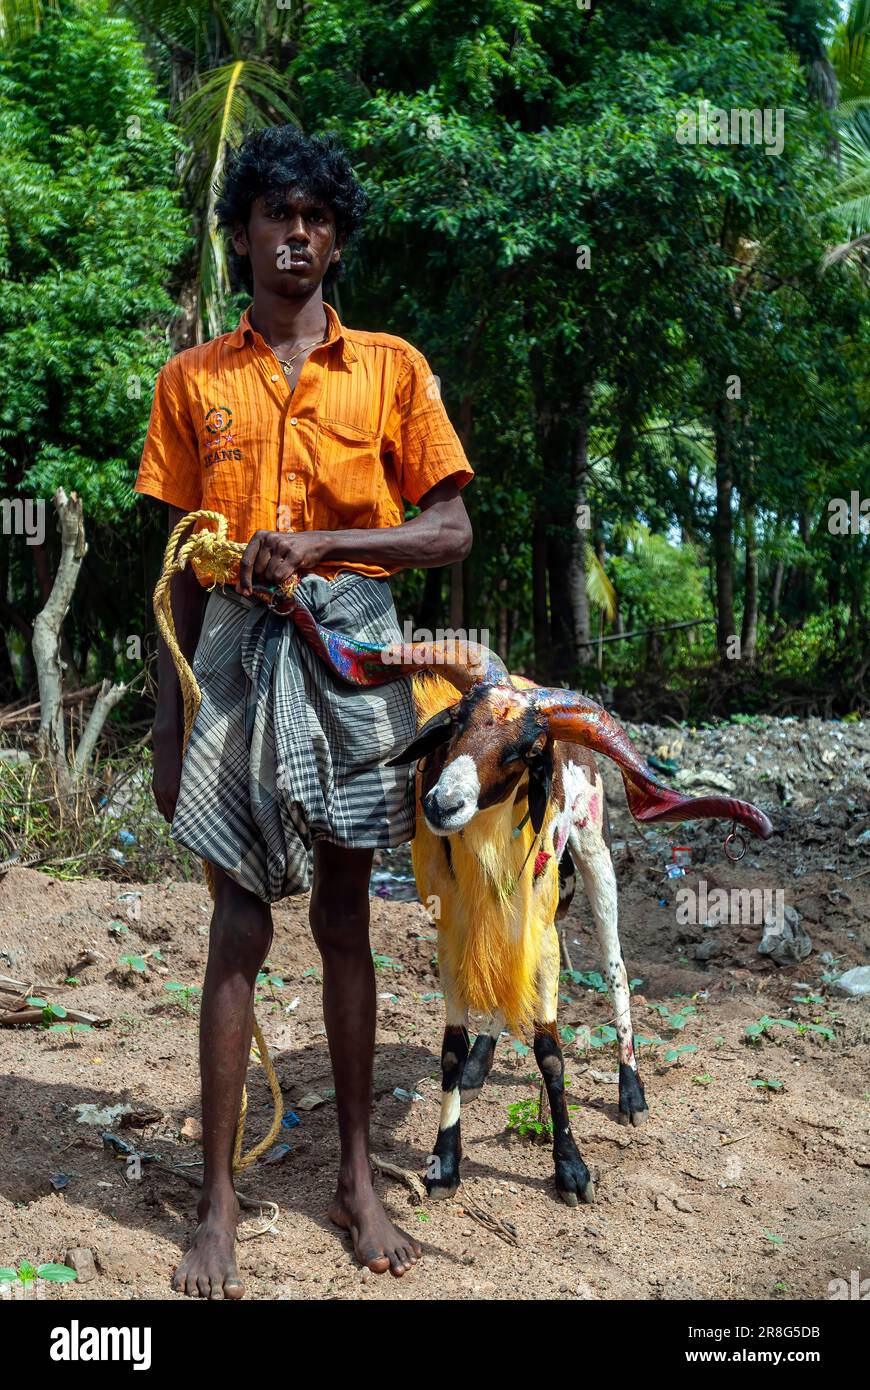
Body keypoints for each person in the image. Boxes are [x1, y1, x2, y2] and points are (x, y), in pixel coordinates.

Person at [134, 126, 473, 1299]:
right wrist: (171, 733)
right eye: (275, 215)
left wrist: (327, 540)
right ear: (241, 234)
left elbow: (449, 531)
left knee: (342, 913)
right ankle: (219, 1199)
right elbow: (176, 572)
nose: (296, 235)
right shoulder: (194, 379)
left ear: (338, 238)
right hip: (232, 646)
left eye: (317, 218)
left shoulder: (393, 367)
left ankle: (353, 1179)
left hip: (357, 643)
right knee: (237, 917)